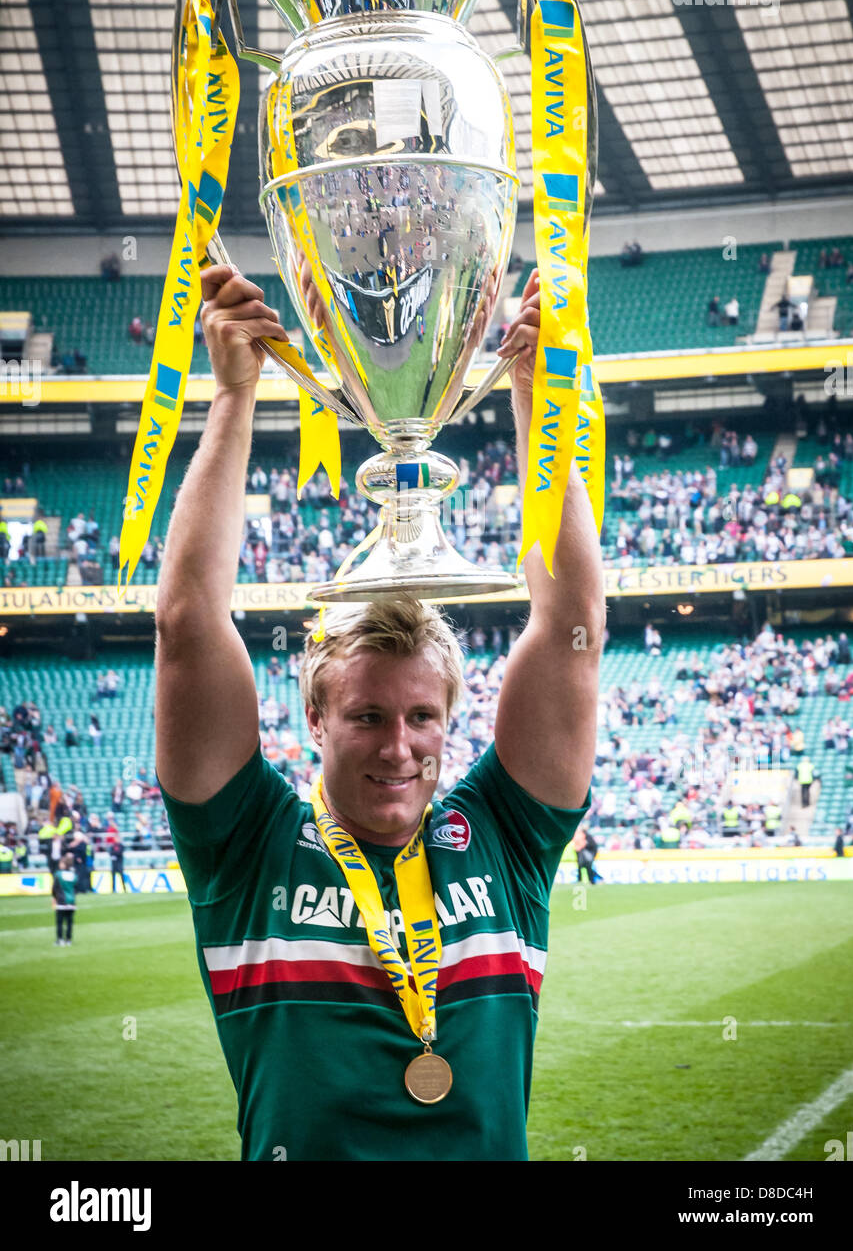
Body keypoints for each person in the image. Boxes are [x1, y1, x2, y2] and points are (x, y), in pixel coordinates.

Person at [155, 263, 604, 1162]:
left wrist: (534, 393)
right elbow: (187, 623)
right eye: (366, 716)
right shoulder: (247, 845)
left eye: (421, 716)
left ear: (449, 719)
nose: (399, 747)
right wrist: (234, 397)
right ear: (315, 721)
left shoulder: (504, 837)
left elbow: (573, 627)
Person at [52, 851, 77, 946]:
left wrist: (54, 898)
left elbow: (55, 888)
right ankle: (68, 939)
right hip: (72, 901)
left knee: (60, 921)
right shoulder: (73, 875)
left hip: (61, 901)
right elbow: (75, 887)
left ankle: (60, 939)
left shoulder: (58, 874)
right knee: (69, 922)